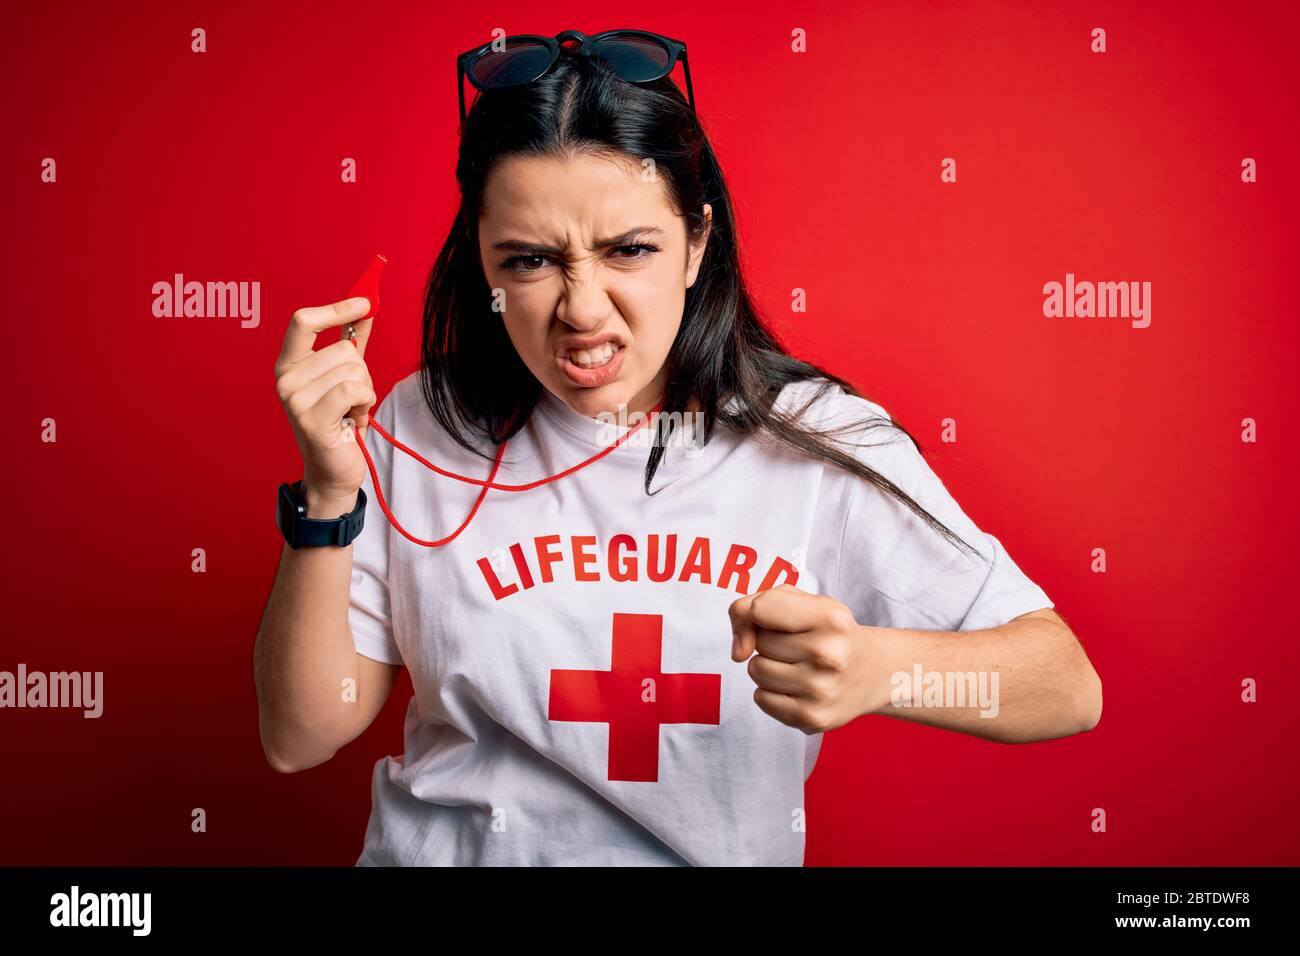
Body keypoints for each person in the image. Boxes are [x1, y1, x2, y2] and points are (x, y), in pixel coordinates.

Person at [253, 30, 1103, 866]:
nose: (582, 309)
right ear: (483, 263)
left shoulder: (811, 439)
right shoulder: (419, 423)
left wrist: (881, 670)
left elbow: (1066, 686)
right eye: (531, 260)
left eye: (630, 250)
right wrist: (326, 495)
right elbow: (299, 735)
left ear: (697, 242)